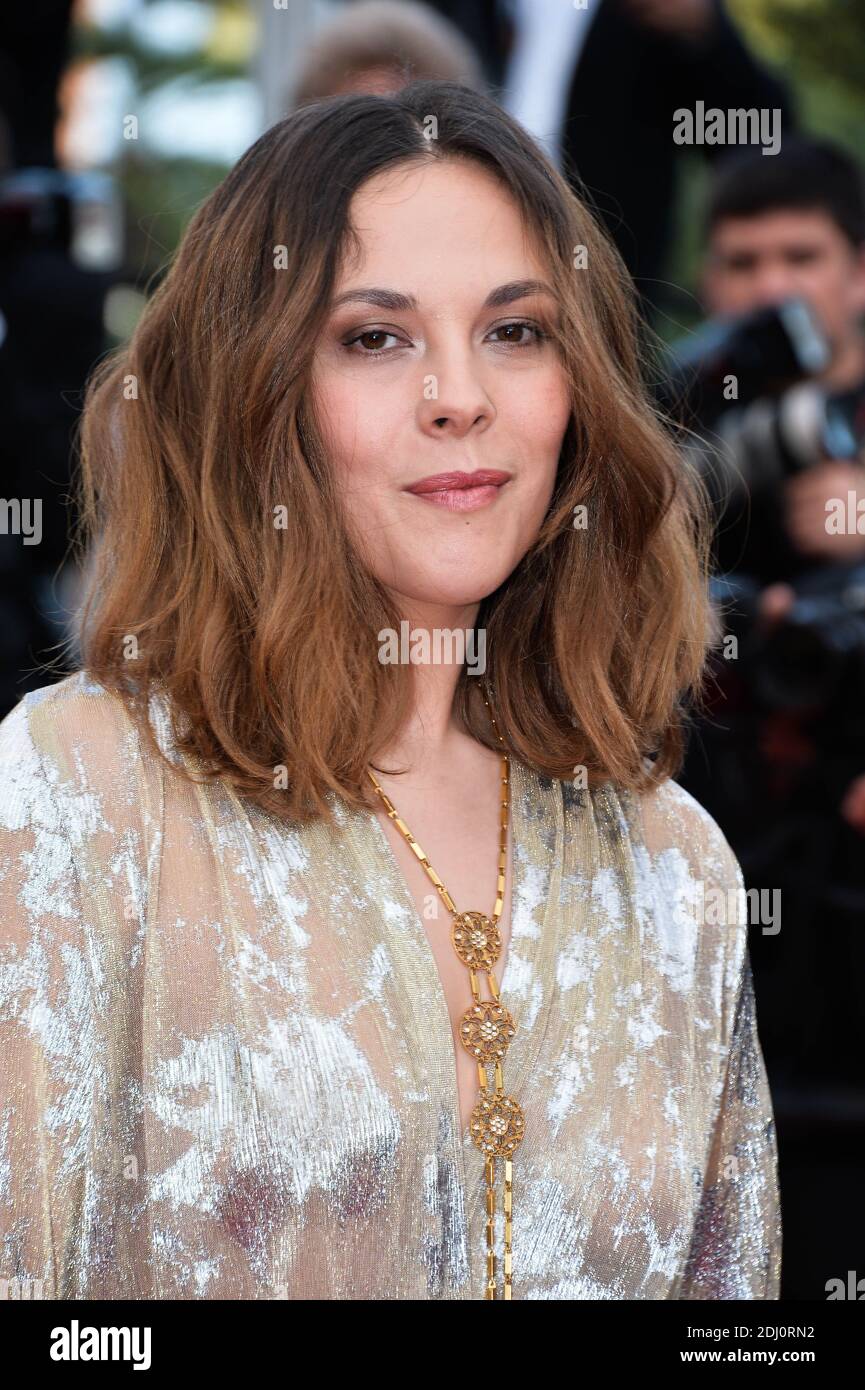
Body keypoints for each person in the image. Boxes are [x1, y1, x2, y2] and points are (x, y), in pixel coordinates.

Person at [0, 80, 780, 1301]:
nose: (459, 395)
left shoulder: (675, 866)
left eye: (517, 330)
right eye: (375, 337)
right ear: (249, 396)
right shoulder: (77, 796)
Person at [670, 135, 865, 1298]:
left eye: (802, 254)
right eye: (743, 261)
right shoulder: (677, 436)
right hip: (720, 883)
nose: (772, 287)